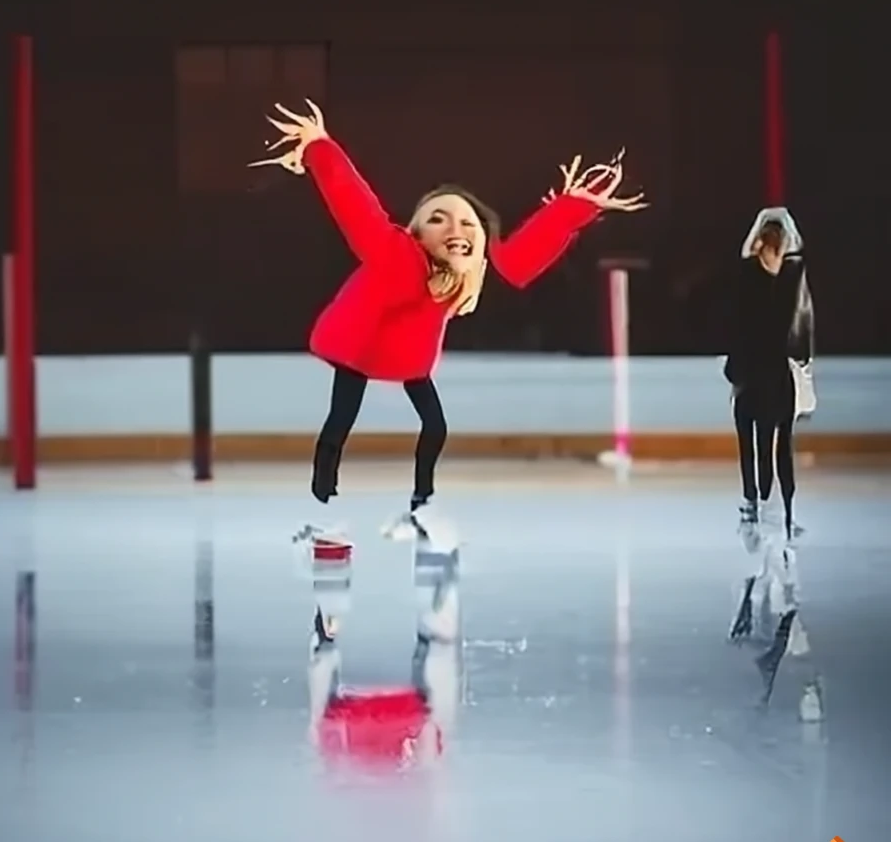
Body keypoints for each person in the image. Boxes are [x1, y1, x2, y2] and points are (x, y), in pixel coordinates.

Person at [249, 100, 647, 541]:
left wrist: (574, 206)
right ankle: (322, 505)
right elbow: (356, 207)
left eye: (465, 222)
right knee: (340, 420)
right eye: (437, 219)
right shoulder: (396, 255)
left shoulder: (464, 273)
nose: (454, 229)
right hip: (358, 348)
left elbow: (519, 259)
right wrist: (321, 148)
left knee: (434, 425)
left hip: (408, 355)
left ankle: (422, 506)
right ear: (416, 233)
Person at [307, 511, 462, 770]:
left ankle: (333, 559)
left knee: (328, 638)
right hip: (395, 708)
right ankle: (432, 555)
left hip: (366, 709)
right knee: (436, 637)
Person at [723, 207, 814, 543]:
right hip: (762, 370)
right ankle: (766, 506)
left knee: (763, 442)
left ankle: (763, 505)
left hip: (763, 371)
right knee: (766, 442)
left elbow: (796, 321)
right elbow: (798, 322)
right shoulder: (778, 273)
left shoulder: (784, 273)